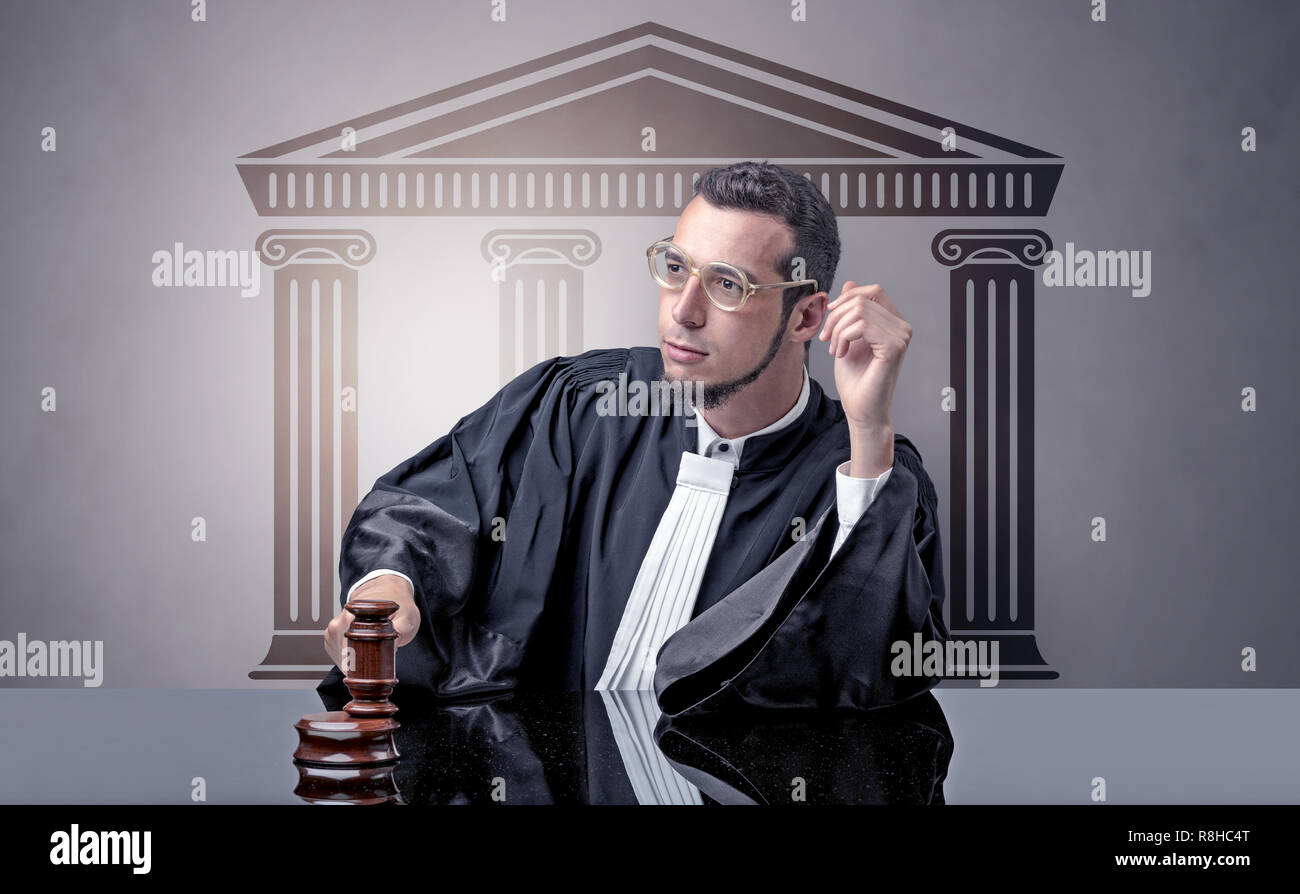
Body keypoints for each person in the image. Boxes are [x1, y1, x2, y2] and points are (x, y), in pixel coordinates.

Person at [319, 160, 947, 715]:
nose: (683, 310)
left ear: (805, 316)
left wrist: (869, 433)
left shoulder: (862, 472)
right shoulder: (582, 403)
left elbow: (869, 673)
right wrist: (386, 592)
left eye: (727, 285)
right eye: (676, 268)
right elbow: (430, 503)